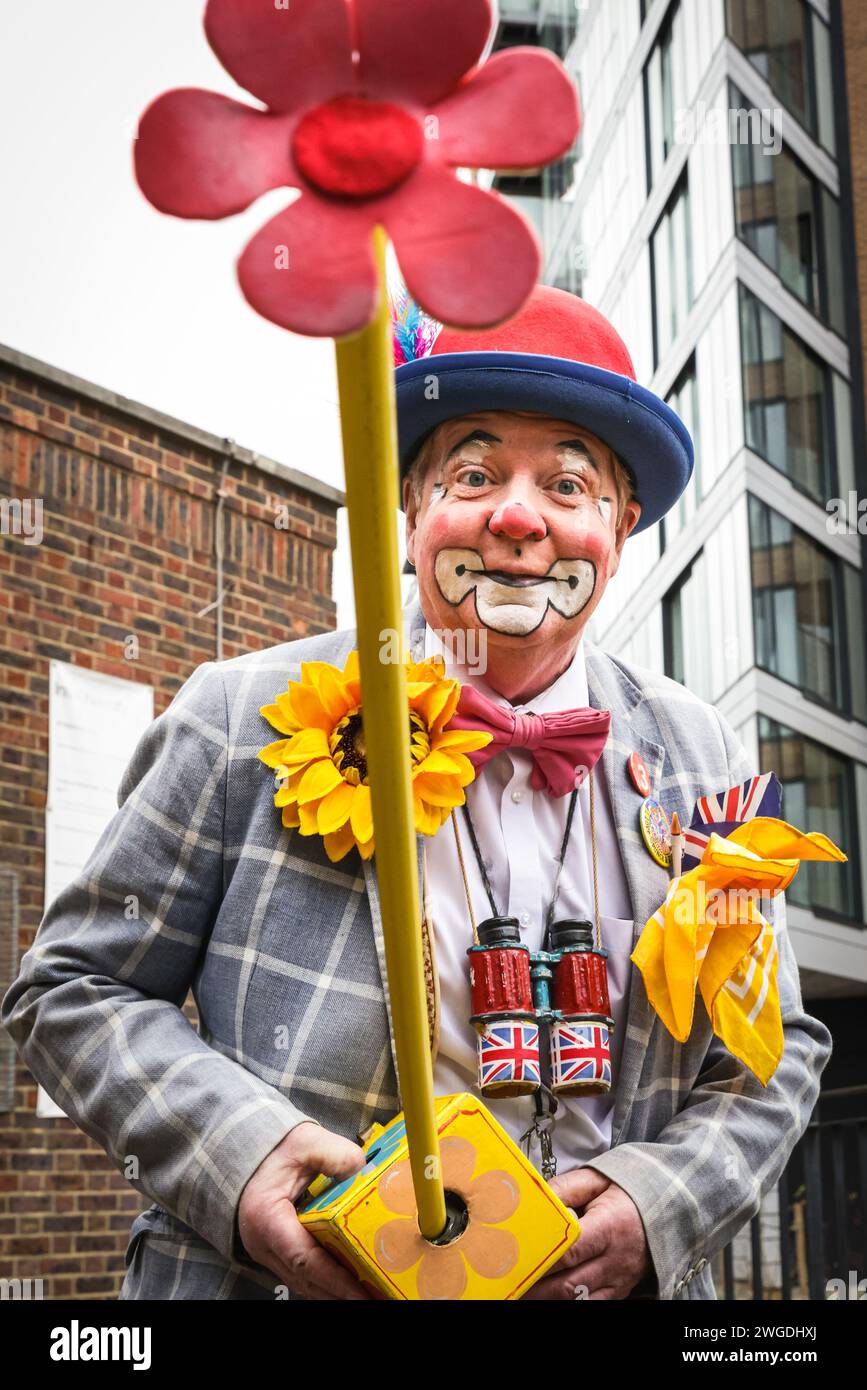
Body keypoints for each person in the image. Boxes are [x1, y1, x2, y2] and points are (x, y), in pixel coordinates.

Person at [2, 287, 832, 1302]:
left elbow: (774, 1049)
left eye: (568, 485)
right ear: (408, 511)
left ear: (619, 529)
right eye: (475, 473)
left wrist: (658, 1199)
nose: (520, 517)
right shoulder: (237, 713)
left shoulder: (697, 748)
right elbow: (71, 990)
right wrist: (243, 1152)